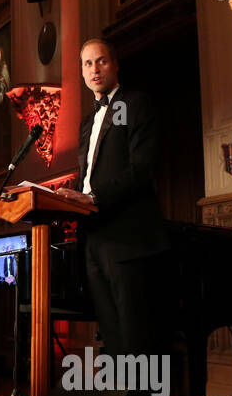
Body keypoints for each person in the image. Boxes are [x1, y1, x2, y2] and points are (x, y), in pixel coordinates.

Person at [57, 38, 171, 360]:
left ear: (115, 64)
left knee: (136, 337)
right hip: (93, 239)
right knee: (111, 334)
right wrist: (69, 199)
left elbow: (141, 169)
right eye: (88, 63)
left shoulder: (136, 104)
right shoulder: (85, 124)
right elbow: (88, 177)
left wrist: (91, 197)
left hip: (128, 238)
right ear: (81, 71)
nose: (95, 69)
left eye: (101, 61)